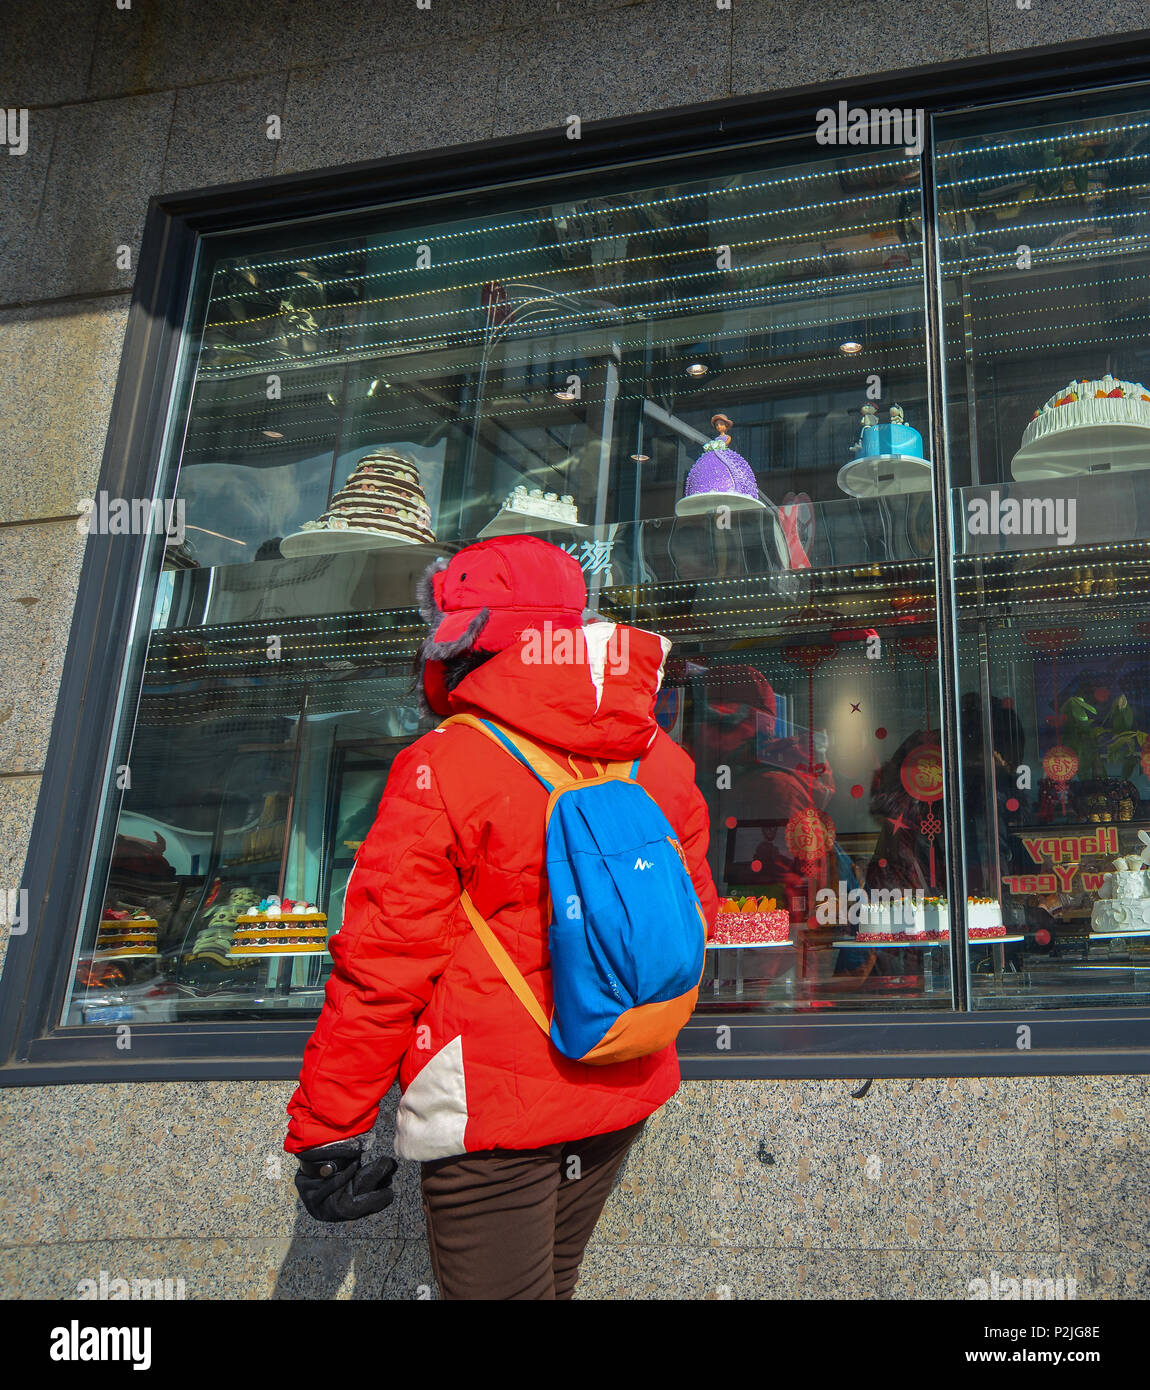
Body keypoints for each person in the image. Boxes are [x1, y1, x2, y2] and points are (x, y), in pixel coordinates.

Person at [283, 534, 718, 1299]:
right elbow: (695, 914)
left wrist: (329, 1126)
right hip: (622, 1072)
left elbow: (383, 965)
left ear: (464, 638)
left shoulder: (444, 764)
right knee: (553, 1281)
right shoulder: (656, 755)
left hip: (493, 1110)